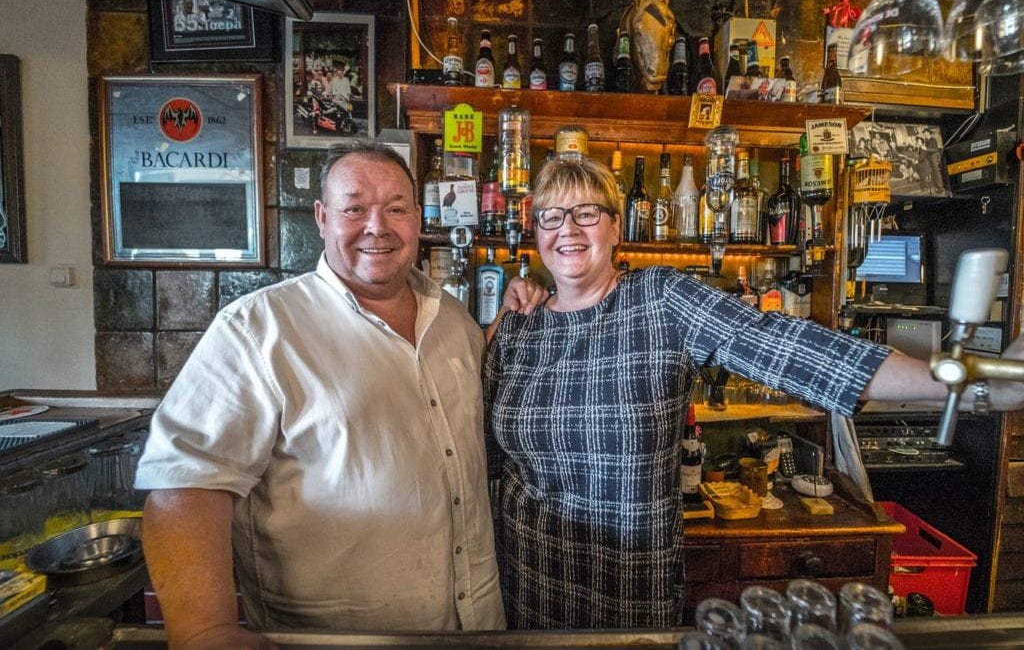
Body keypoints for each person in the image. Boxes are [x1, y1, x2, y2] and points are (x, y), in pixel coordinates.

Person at [483, 156, 1024, 630]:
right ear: (536, 233)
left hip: (627, 591)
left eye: (587, 213)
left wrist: (969, 384)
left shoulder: (660, 299)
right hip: (528, 581)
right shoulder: (518, 325)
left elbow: (788, 347)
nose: (568, 229)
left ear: (616, 227)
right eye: (551, 216)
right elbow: (476, 444)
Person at [137, 140, 542, 648]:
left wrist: (520, 305)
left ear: (417, 219)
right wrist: (205, 630)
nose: (378, 226)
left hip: (477, 624)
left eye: (396, 209)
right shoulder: (258, 329)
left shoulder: (455, 322)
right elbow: (187, 483)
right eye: (355, 209)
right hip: (333, 637)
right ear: (322, 216)